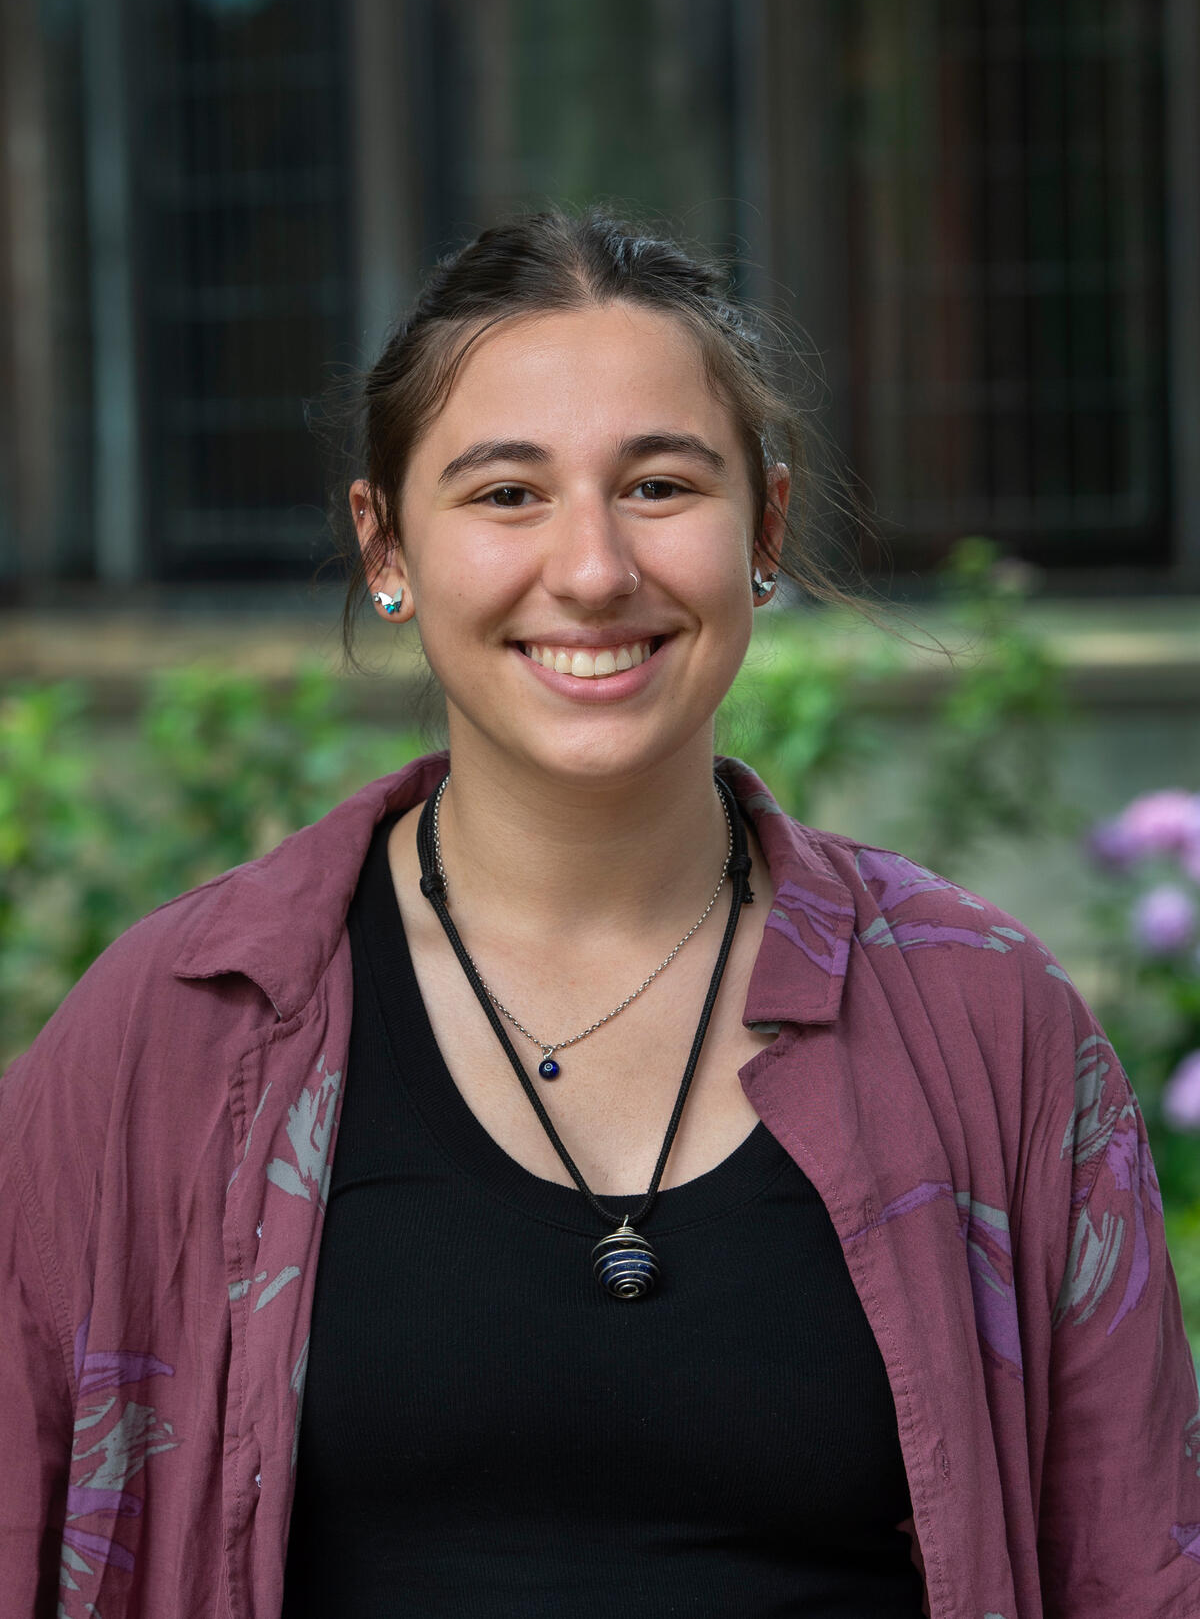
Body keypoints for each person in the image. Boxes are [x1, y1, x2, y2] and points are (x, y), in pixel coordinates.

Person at [1, 209, 1197, 1619]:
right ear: (387, 544)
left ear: (765, 523)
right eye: (507, 493)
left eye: (660, 485)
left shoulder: (984, 1027)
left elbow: (1137, 1561)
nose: (591, 568)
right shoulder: (175, 1037)